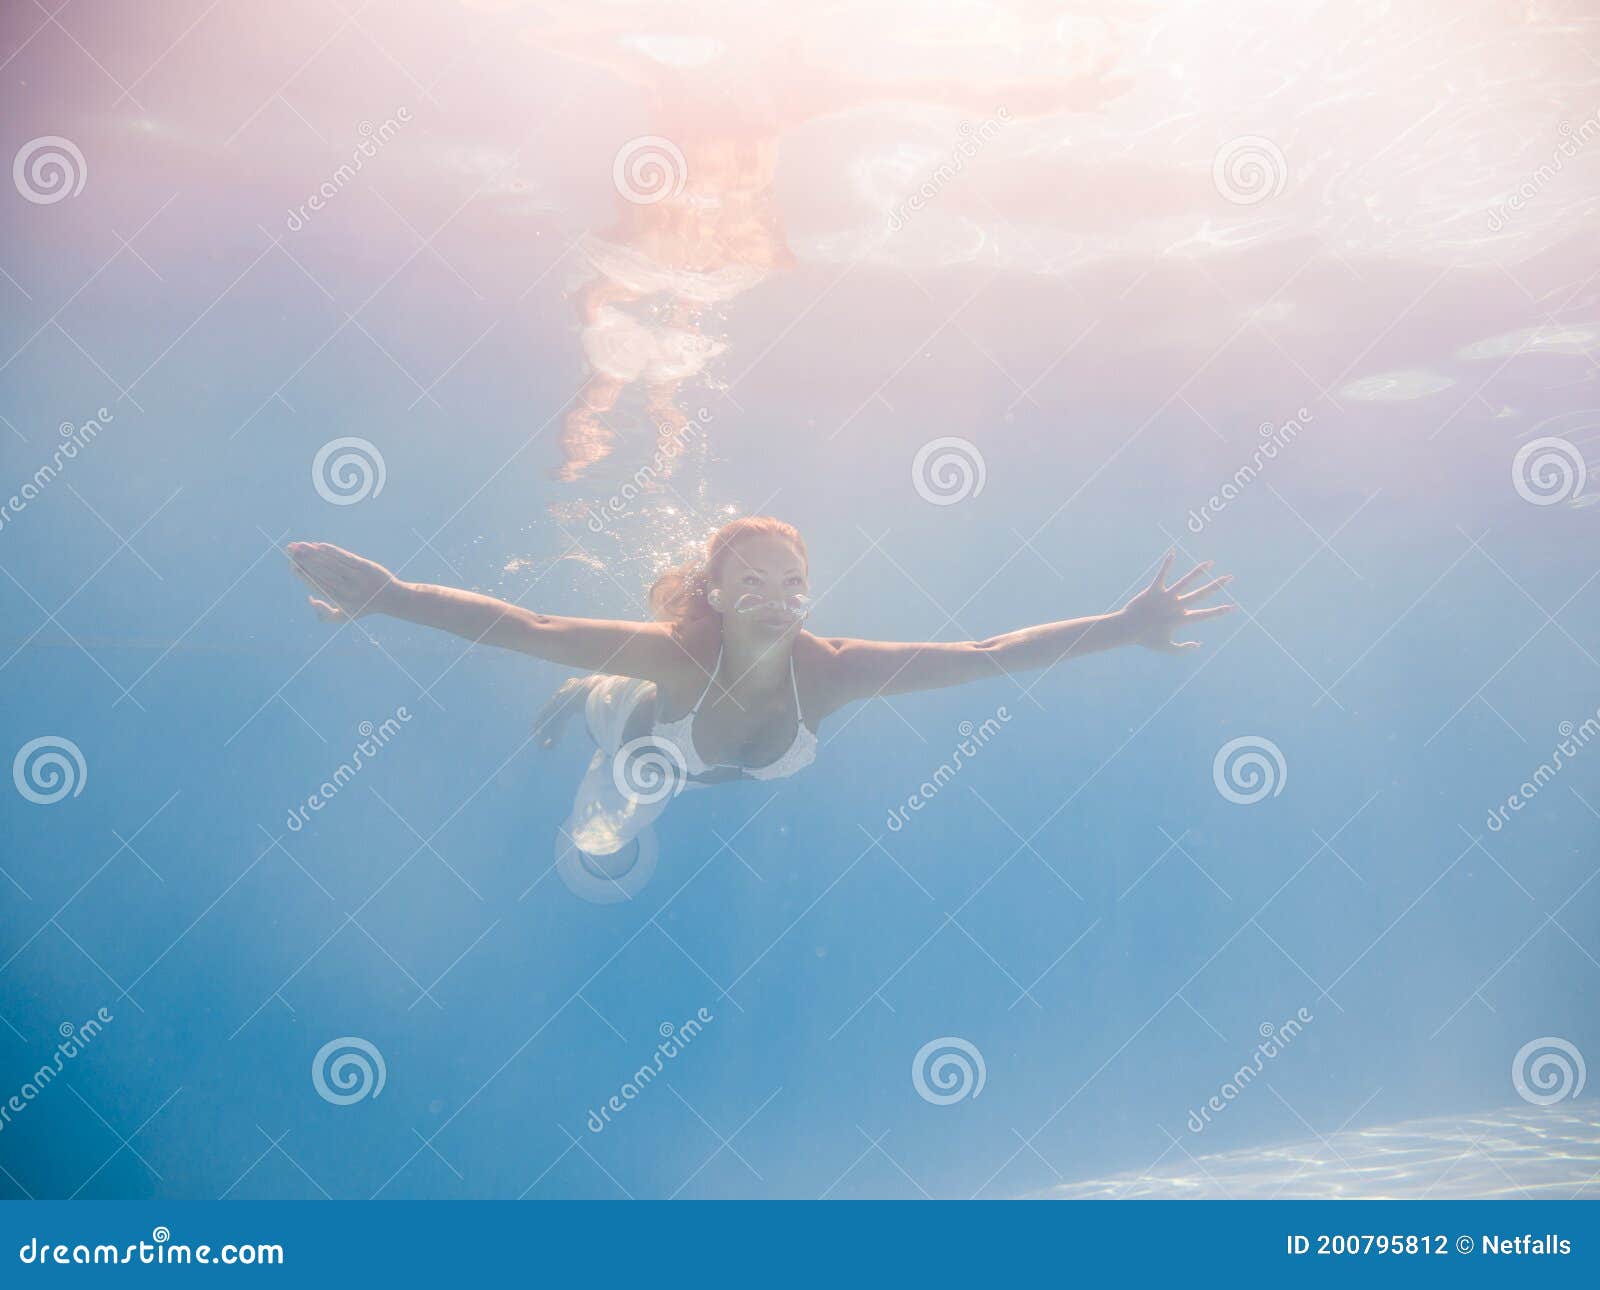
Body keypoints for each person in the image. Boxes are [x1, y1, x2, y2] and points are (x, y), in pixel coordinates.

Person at [286, 516, 1232, 861]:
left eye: (792, 580)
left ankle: (588, 701)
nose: (778, 596)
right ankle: (584, 696)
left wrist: (1123, 625)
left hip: (732, 760)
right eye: (752, 581)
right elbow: (526, 627)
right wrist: (393, 596)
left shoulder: (837, 667)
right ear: (714, 594)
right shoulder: (675, 652)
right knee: (608, 757)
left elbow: (988, 652)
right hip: (645, 735)